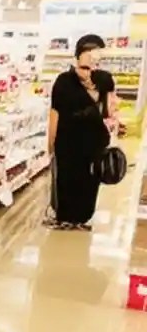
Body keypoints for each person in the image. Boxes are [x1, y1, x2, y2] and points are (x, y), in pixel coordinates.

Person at [49, 33, 115, 230]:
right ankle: (65, 217)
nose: (90, 67)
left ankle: (84, 217)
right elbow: (55, 111)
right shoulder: (63, 81)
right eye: (86, 62)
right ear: (77, 58)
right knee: (66, 177)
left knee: (90, 179)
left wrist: (92, 87)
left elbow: (108, 111)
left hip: (94, 140)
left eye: (95, 60)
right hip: (67, 140)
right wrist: (50, 141)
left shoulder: (104, 79)